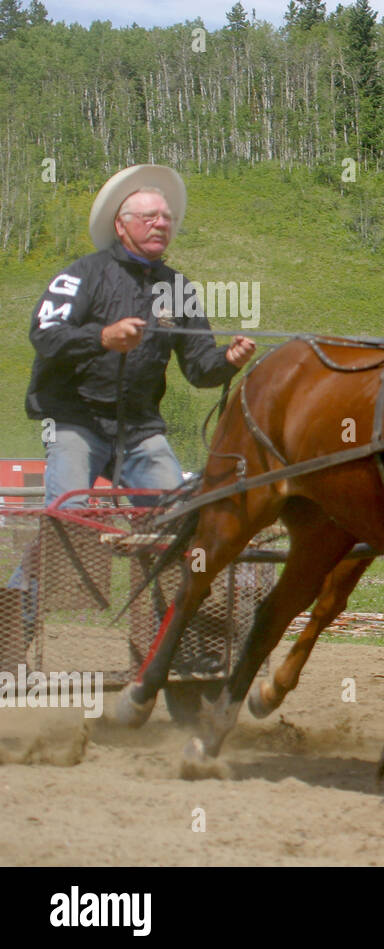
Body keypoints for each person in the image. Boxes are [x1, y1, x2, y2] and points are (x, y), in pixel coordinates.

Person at [3, 165, 255, 666]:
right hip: (74, 420)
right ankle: (8, 637)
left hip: (141, 429)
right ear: (122, 224)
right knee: (66, 525)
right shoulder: (81, 274)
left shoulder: (179, 289)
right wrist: (102, 336)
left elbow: (199, 367)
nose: (163, 223)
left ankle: (174, 646)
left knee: (179, 523)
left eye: (167, 217)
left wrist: (227, 360)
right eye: (150, 216)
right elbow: (44, 335)